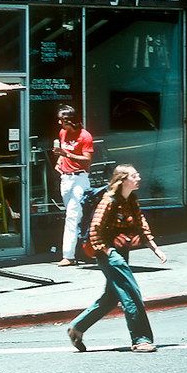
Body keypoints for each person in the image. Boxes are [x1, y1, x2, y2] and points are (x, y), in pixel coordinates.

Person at [67, 164, 168, 353]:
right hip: (108, 254)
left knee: (112, 297)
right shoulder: (109, 200)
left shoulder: (131, 199)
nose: (138, 178)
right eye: (134, 175)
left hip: (121, 251)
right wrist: (107, 251)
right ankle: (141, 339)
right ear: (122, 180)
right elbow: (96, 228)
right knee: (131, 292)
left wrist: (155, 248)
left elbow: (141, 223)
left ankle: (77, 328)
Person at [52, 104, 94, 266]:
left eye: (62, 119)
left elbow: (87, 159)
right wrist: (60, 160)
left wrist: (66, 154)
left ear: (70, 120)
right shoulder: (63, 133)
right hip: (66, 178)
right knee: (75, 216)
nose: (59, 123)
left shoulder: (85, 136)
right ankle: (83, 249)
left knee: (72, 215)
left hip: (79, 179)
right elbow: (63, 154)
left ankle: (68, 255)